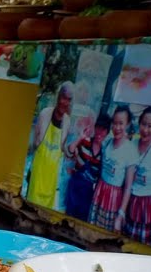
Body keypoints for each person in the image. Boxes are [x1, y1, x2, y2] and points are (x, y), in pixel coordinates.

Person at [119, 106, 151, 246]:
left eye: (150, 126)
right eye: (143, 124)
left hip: (147, 207)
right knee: (123, 244)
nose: (145, 130)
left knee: (141, 249)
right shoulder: (131, 145)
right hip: (129, 202)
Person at [24, 82, 73, 210]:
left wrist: (73, 150)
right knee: (30, 208)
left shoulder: (67, 121)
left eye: (68, 99)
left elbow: (63, 148)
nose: (65, 102)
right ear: (58, 97)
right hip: (38, 173)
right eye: (63, 97)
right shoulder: (45, 114)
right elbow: (35, 143)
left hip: (51, 177)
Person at [89, 105, 136, 231]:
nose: (117, 128)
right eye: (114, 123)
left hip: (113, 200)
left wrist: (120, 215)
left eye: (121, 123)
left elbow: (127, 187)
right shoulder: (107, 143)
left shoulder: (131, 151)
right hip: (99, 192)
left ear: (128, 124)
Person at [63, 112, 107, 220]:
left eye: (104, 129)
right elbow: (69, 152)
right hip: (74, 190)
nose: (100, 132)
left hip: (87, 196)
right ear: (95, 128)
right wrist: (80, 137)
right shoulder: (85, 142)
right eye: (98, 128)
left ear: (107, 132)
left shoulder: (104, 153)